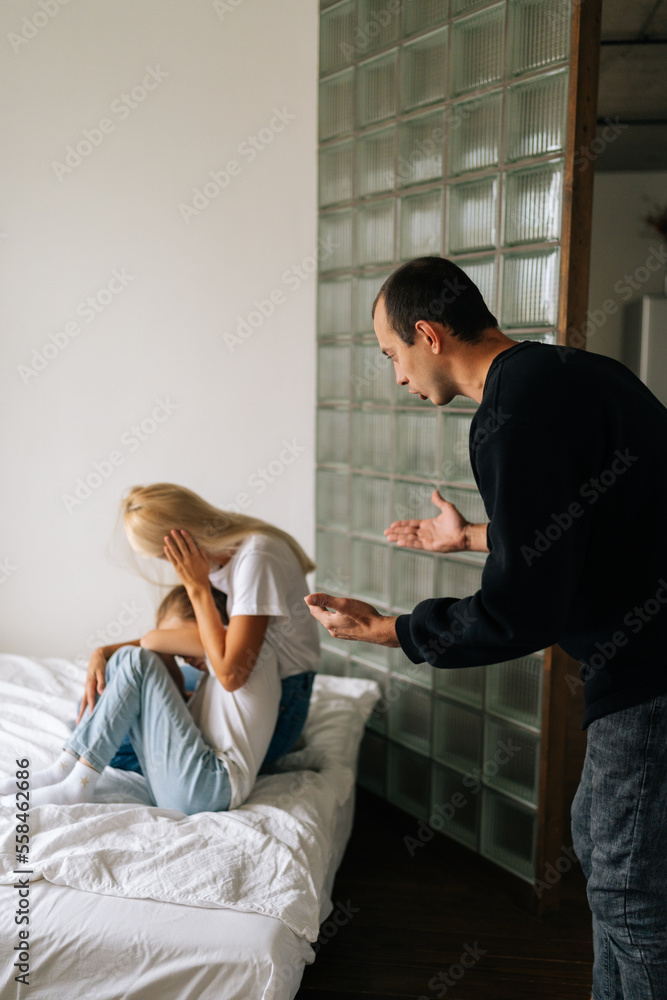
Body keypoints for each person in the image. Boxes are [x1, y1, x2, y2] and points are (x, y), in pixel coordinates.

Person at [305, 256, 667, 999]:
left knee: (628, 889)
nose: (397, 377)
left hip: (650, 670)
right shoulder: (572, 374)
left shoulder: (509, 414)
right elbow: (590, 527)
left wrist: (391, 631)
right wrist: (470, 537)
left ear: (428, 335)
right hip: (645, 658)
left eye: (392, 355)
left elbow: (522, 611)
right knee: (605, 854)